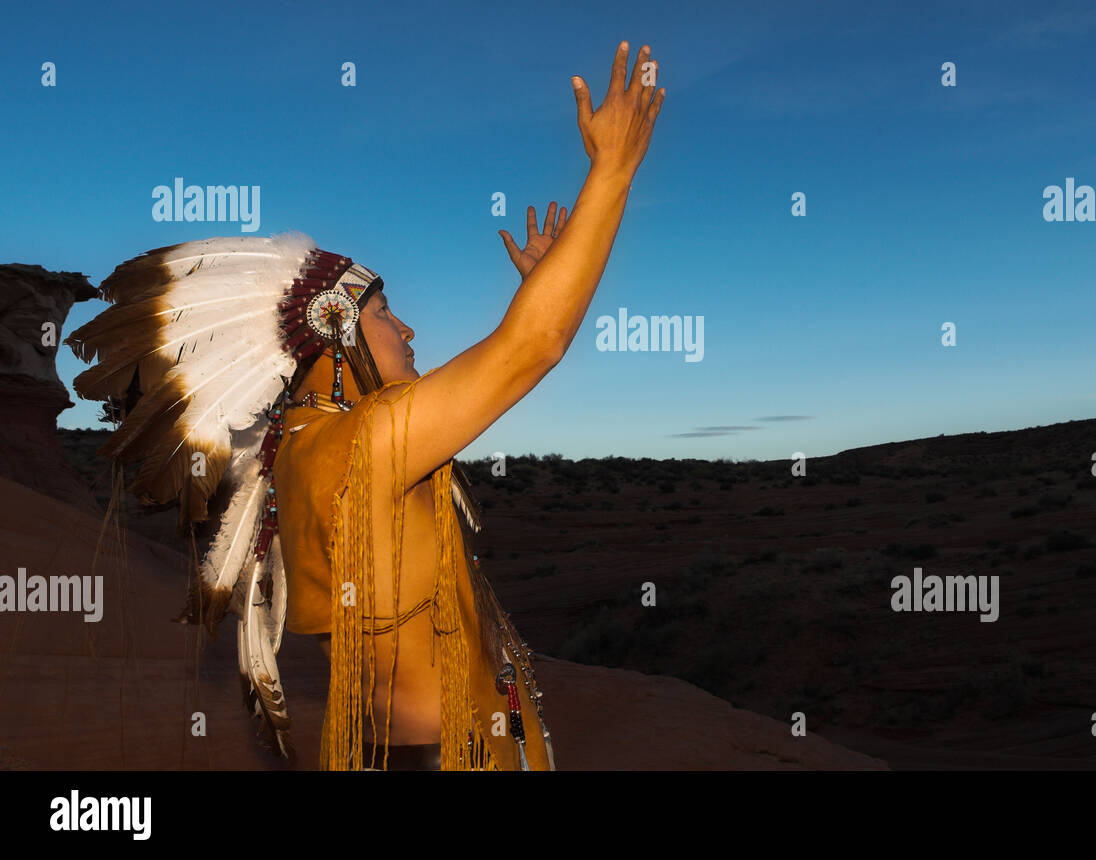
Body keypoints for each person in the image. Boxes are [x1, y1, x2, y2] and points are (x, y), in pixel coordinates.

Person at [65, 40, 665, 770]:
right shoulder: (359, 445)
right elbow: (530, 348)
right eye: (385, 312)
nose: (408, 328)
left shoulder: (313, 445)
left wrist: (539, 289)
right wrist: (614, 172)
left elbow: (502, 360)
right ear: (332, 331)